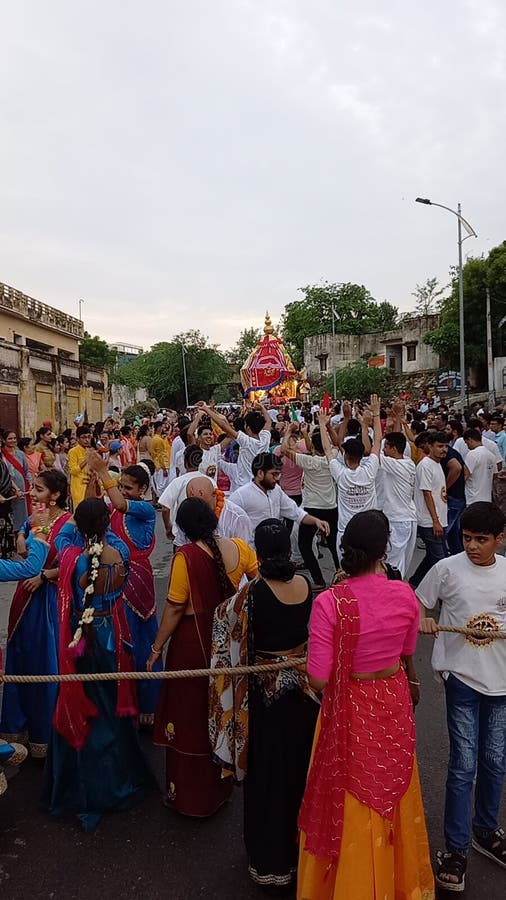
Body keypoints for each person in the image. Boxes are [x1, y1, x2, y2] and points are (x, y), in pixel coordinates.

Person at [297, 510, 434, 900]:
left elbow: (318, 679)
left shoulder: (330, 603)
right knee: (393, 788)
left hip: (350, 705)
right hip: (391, 698)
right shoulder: (405, 594)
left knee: (351, 793)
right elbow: (407, 650)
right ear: (385, 549)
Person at [210, 519, 319, 889]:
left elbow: (226, 636)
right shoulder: (306, 587)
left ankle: (270, 861)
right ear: (288, 549)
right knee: (301, 773)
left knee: (268, 777)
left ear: (258, 550)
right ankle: (302, 853)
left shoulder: (249, 595)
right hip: (305, 697)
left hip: (265, 700)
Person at [44, 498, 151, 831]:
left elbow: (61, 539)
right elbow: (108, 542)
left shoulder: (72, 559)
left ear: (80, 526)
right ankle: (120, 776)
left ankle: (86, 785)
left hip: (82, 641)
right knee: (110, 710)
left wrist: (76, 524)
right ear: (107, 524)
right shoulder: (119, 552)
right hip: (112, 637)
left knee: (87, 709)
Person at [417, 502, 506, 892]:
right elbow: (417, 604)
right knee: (463, 764)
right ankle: (455, 849)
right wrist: (425, 619)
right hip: (463, 681)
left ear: (499, 540)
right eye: (467, 538)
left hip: (502, 686)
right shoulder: (446, 569)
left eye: (481, 540)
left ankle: (486, 830)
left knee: (495, 760)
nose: (471, 546)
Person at [149, 498, 257, 816]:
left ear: (183, 528)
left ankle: (189, 797)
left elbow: (174, 608)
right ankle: (220, 787)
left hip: (191, 645)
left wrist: (156, 648)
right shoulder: (239, 548)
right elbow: (259, 580)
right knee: (219, 709)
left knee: (190, 715)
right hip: (226, 647)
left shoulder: (187, 557)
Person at [87, 452, 162, 726]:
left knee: (139, 638)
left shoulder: (142, 508)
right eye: (122, 486)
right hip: (117, 574)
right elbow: (93, 507)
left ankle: (147, 703)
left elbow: (117, 503)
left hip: (138, 579)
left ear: (142, 490)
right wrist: (95, 479)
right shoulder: (117, 506)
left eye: (128, 487)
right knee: (118, 638)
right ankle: (123, 704)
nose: (123, 491)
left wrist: (104, 471)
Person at [0, 470, 71, 757]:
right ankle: (17, 727)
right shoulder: (35, 518)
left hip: (48, 602)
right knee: (21, 658)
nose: (32, 494)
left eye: (39, 490)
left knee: (45, 661)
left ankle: (44, 733)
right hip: (24, 598)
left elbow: (74, 563)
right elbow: (23, 534)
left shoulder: (68, 523)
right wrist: (22, 537)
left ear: (55, 495)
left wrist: (43, 575)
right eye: (33, 488)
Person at [320, 395, 382, 561]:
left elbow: (327, 449)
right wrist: (376, 415)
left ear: (345, 455)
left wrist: (321, 424)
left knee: (347, 574)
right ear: (362, 455)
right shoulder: (370, 470)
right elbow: (377, 441)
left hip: (346, 532)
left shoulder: (341, 474)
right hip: (369, 531)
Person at [280, 421, 339, 589]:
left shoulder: (308, 461)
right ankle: (341, 574)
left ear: (313, 446)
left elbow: (284, 450)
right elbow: (335, 444)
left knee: (304, 545)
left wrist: (288, 431)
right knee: (334, 544)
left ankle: (319, 580)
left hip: (312, 508)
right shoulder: (332, 457)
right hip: (330, 506)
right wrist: (326, 427)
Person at [229, 453, 331, 549]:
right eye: (274, 474)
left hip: (275, 550)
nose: (277, 478)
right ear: (260, 473)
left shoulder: (276, 490)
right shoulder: (241, 496)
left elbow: (295, 512)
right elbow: (228, 524)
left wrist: (316, 521)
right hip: (251, 552)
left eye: (279, 474)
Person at [198, 401, 271, 487]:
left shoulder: (247, 441)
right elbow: (268, 421)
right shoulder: (265, 439)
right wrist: (262, 408)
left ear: (247, 427)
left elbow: (223, 426)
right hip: (261, 486)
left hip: (245, 486)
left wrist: (206, 409)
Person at [409, 431, 449, 589]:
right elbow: (427, 494)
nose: (443, 449)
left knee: (432, 557)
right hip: (430, 522)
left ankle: (414, 582)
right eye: (440, 446)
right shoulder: (425, 466)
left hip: (439, 519)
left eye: (446, 446)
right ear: (430, 446)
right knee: (440, 561)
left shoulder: (437, 464)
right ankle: (444, 594)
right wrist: (435, 521)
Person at [375, 431, 417, 577]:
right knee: (401, 561)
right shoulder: (408, 461)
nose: (383, 449)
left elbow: (372, 452)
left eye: (386, 446)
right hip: (407, 517)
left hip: (398, 519)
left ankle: (394, 592)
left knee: (393, 562)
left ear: (394, 448)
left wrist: (373, 418)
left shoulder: (396, 465)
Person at [1, 430, 31, 529]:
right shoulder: (2, 455)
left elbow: (26, 471)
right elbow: (6, 474)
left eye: (14, 438)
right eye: (10, 438)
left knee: (23, 514)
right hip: (8, 490)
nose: (13, 440)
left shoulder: (20, 454)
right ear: (4, 440)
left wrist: (30, 483)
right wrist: (15, 488)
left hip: (23, 489)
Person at [463, 428, 495, 504]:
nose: (467, 446)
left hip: (473, 498)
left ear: (470, 440)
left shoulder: (472, 454)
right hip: (487, 498)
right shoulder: (491, 455)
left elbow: (465, 475)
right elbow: (494, 475)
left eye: (466, 443)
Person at [67, 426, 92, 510]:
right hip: (79, 486)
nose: (87, 440)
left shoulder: (90, 450)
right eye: (84, 437)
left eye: (89, 437)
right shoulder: (73, 451)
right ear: (77, 438)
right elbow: (73, 471)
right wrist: (86, 460)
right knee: (80, 511)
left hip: (90, 485)